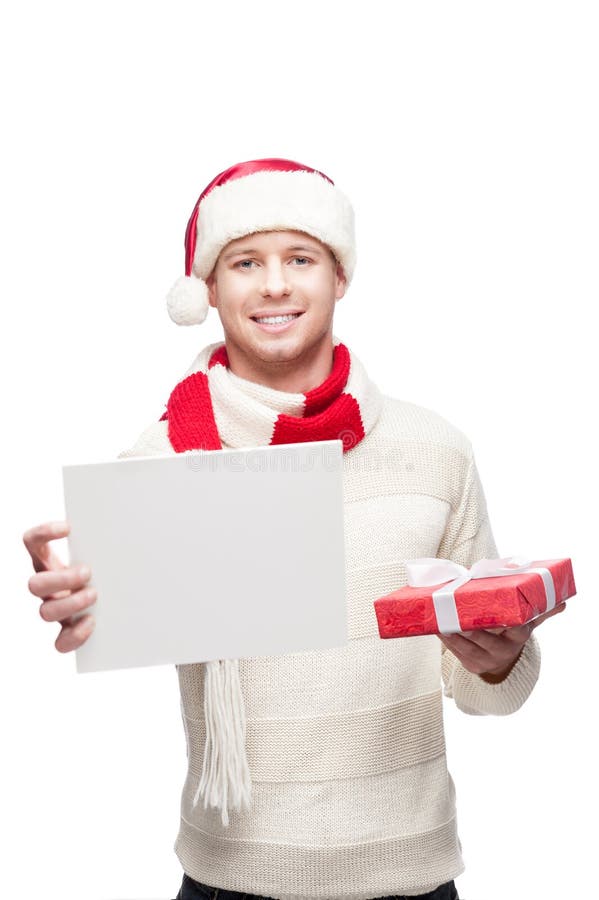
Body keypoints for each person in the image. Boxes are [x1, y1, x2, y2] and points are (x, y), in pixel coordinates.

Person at [23, 157, 565, 900]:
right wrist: (82, 605)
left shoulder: (434, 449)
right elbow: (125, 617)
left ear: (338, 276)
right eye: (246, 262)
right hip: (230, 878)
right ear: (208, 290)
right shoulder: (163, 464)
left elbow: (483, 690)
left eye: (299, 258)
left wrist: (499, 660)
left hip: (408, 874)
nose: (274, 284)